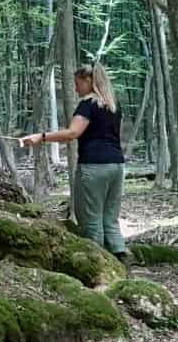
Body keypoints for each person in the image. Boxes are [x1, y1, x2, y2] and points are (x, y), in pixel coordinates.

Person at [19, 63, 127, 263]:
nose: (76, 89)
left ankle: (99, 263)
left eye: (78, 84)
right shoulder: (113, 105)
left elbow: (72, 133)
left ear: (89, 81)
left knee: (90, 219)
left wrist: (41, 137)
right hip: (117, 166)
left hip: (94, 167)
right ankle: (121, 255)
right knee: (109, 218)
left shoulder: (88, 103)